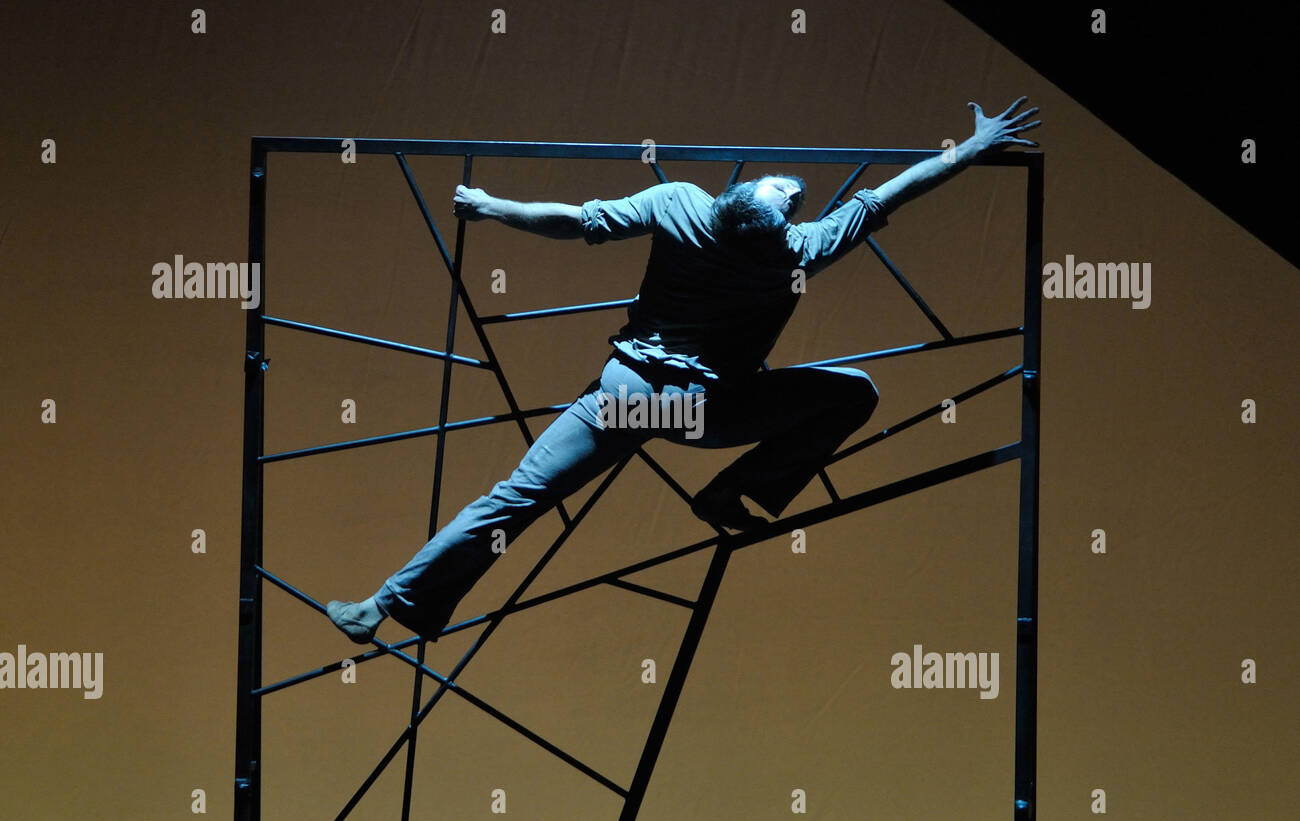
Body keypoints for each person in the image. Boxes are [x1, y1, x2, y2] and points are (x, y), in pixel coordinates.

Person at [326, 97, 1040, 644]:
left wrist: (490, 206)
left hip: (628, 396)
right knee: (854, 393)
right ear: (780, 225)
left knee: (515, 500)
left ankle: (386, 604)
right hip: (705, 414)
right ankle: (731, 494)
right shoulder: (800, 249)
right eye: (783, 191)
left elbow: (574, 222)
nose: (787, 185)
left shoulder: (682, 207)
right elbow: (893, 193)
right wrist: (974, 146)